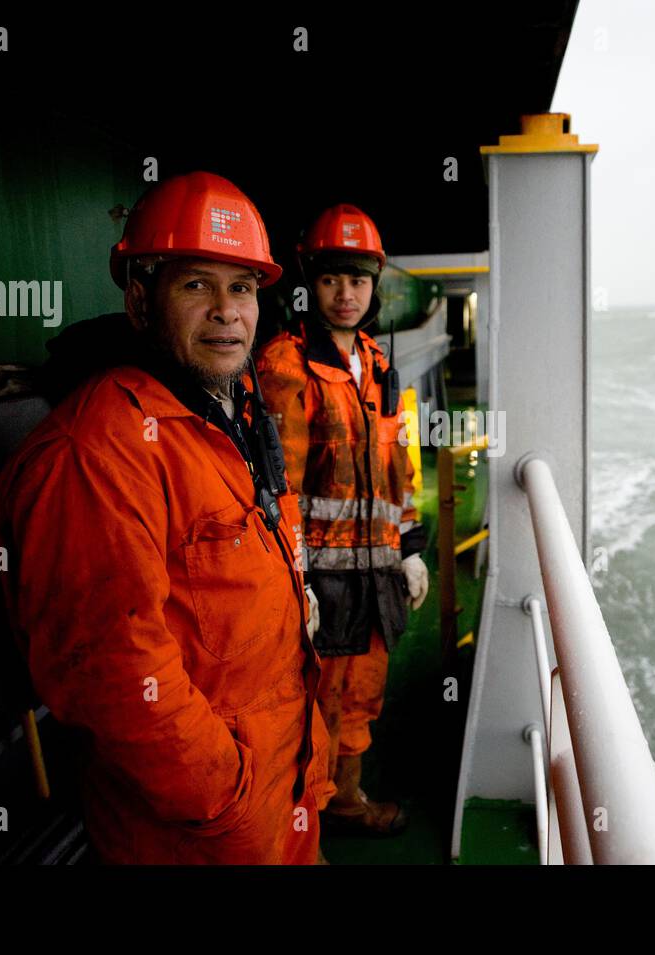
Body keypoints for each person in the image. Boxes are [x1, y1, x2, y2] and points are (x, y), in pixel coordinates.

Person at [0, 171, 333, 864]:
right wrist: (229, 800)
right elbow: (112, 673)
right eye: (196, 284)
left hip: (285, 788)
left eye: (241, 286)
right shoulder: (98, 452)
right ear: (141, 300)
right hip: (201, 834)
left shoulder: (228, 410)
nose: (227, 311)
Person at [256, 204, 428, 836]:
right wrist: (293, 580)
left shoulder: (379, 369)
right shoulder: (285, 367)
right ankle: (305, 835)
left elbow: (398, 472)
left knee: (359, 702)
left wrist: (410, 545)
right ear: (311, 282)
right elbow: (281, 489)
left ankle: (346, 804)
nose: (347, 293)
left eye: (358, 280)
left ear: (375, 285)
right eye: (333, 279)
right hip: (323, 587)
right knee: (312, 713)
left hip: (377, 576)